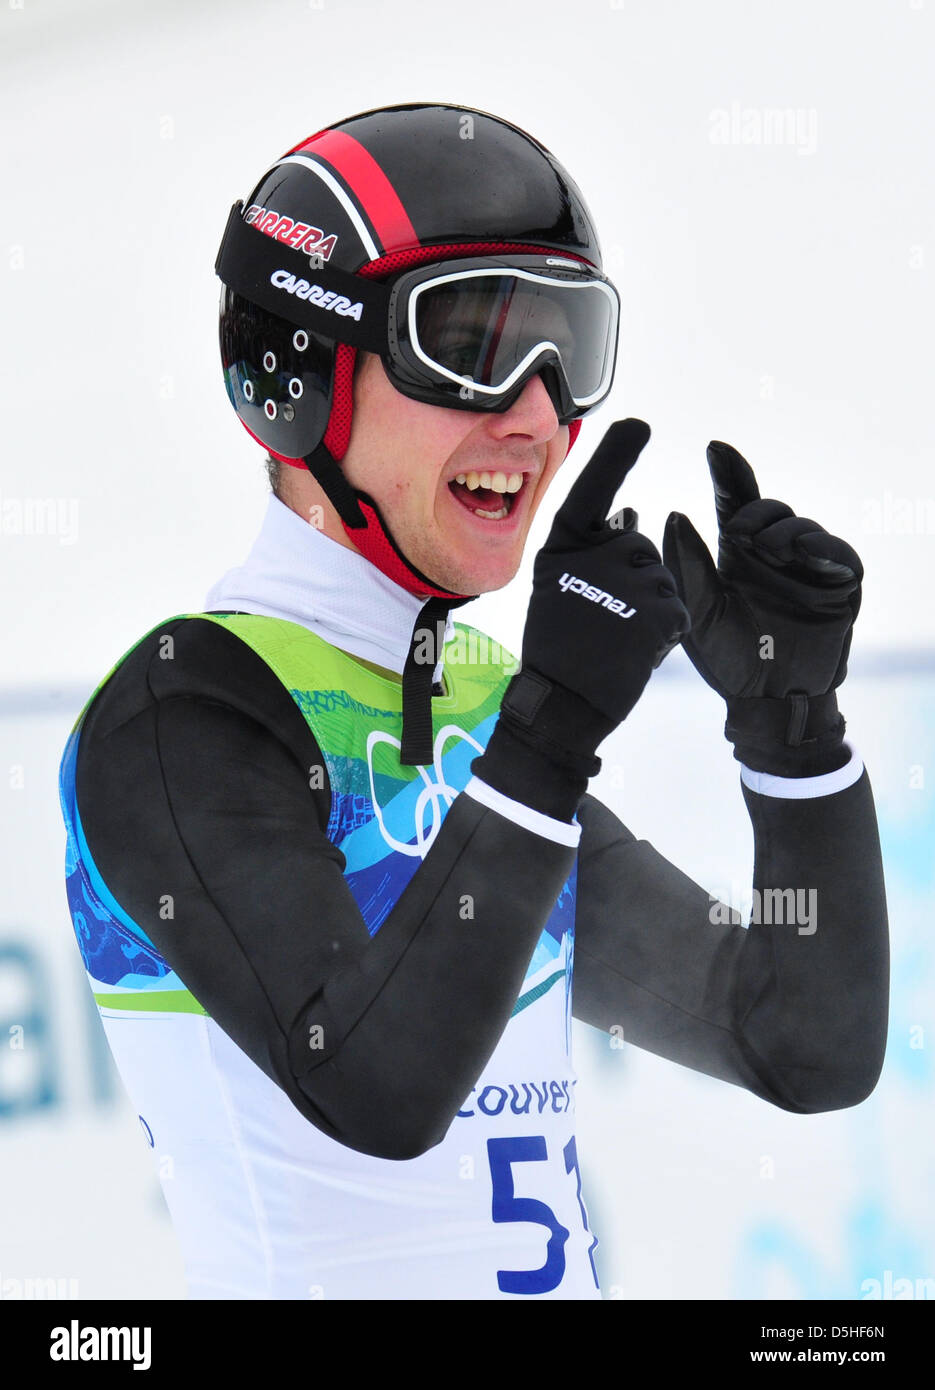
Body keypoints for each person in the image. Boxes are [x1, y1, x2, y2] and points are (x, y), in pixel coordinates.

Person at [58, 101, 889, 1301]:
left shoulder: (485, 706)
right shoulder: (180, 710)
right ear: (303, 380)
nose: (539, 413)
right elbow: (375, 1086)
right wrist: (546, 737)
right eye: (471, 344)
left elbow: (794, 1040)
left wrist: (791, 743)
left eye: (568, 351)